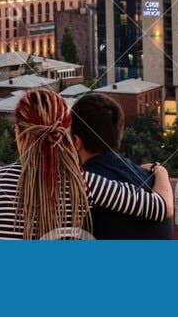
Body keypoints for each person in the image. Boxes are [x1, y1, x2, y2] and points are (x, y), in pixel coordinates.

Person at [0, 88, 173, 239]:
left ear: (18, 133)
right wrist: (159, 169)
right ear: (65, 134)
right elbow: (162, 208)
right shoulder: (85, 183)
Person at [69, 93, 172, 239]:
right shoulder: (153, 183)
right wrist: (160, 170)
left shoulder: (79, 187)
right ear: (119, 134)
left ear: (76, 142)